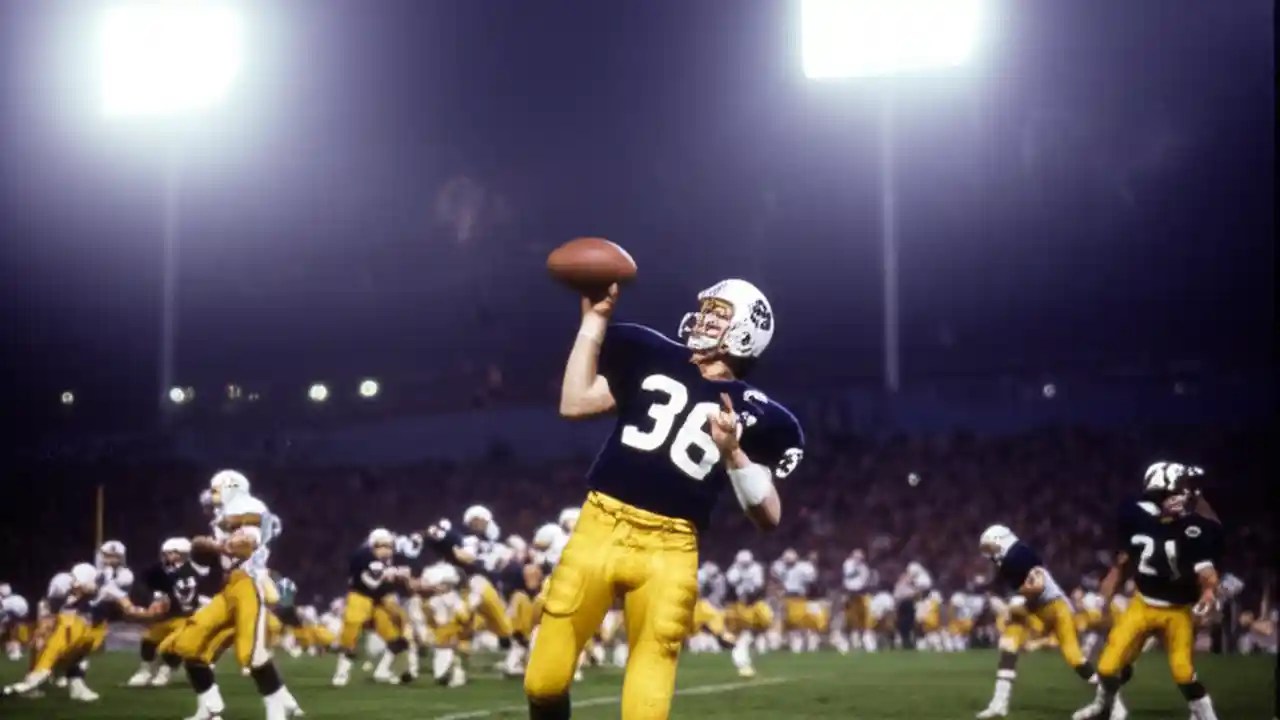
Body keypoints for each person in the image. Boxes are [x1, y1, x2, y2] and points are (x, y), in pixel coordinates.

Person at [524, 279, 804, 720]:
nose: (706, 318)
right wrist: (593, 322)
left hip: (671, 548)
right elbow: (574, 402)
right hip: (601, 525)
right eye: (707, 308)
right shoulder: (654, 355)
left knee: (647, 706)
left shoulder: (759, 412)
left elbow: (769, 516)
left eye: (720, 313)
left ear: (747, 332)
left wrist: (733, 452)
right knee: (544, 681)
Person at [1074, 462, 1222, 720]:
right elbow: (1122, 562)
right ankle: (1104, 707)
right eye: (1179, 488)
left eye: (1185, 489)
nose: (1185, 494)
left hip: (1178, 610)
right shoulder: (1137, 518)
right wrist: (1105, 593)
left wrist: (1209, 592)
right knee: (1108, 666)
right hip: (1143, 604)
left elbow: (1206, 572)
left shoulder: (1194, 526)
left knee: (1183, 673)